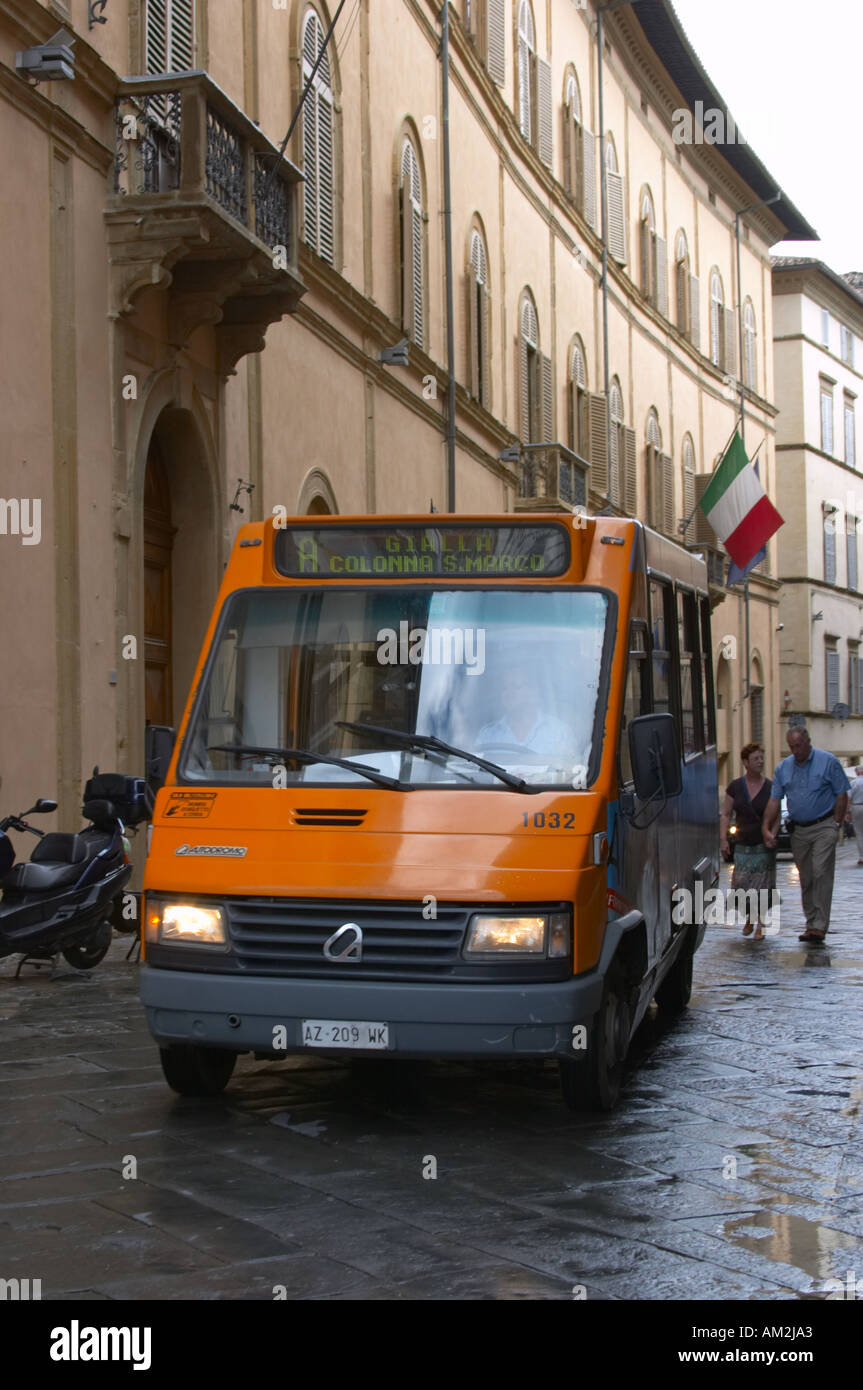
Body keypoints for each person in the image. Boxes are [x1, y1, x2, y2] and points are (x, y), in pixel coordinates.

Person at [763, 726, 850, 943]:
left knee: (821, 872)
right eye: (791, 747)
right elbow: (775, 800)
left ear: (808, 742)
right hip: (799, 830)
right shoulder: (784, 768)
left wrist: (836, 823)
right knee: (806, 877)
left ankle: (820, 925)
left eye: (798, 746)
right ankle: (811, 923)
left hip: (824, 825)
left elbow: (841, 793)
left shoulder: (828, 761)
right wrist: (766, 826)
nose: (795, 750)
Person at [720, 741, 774, 939]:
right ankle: (749, 918)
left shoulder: (770, 787)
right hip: (742, 843)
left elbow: (776, 814)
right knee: (742, 883)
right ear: (745, 762)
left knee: (762, 886)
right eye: (755, 759)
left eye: (761, 758)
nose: (760, 762)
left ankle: (760, 924)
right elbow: (726, 814)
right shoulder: (735, 786)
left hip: (762, 844)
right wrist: (723, 839)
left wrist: (772, 833)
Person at [476, 668, 570, 757]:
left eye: (516, 686)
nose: (509, 692)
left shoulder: (559, 732)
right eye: (504, 688)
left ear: (534, 692)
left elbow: (572, 770)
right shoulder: (487, 735)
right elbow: (472, 769)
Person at [848, 766, 863, 865]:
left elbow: (848, 798)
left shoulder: (853, 783)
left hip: (856, 807)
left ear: (856, 773)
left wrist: (847, 812)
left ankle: (862, 856)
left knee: (859, 832)